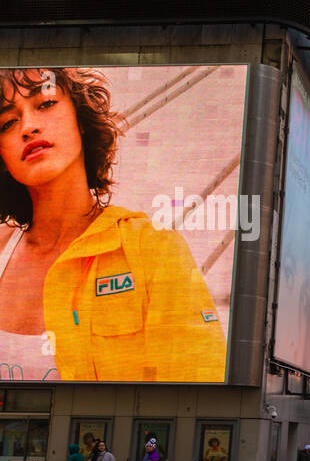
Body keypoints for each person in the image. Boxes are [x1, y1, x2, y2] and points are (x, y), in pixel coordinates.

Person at [0, 67, 226, 381]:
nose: (28, 127)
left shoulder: (152, 250)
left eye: (46, 104)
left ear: (80, 120)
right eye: (8, 122)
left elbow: (195, 396)